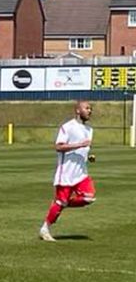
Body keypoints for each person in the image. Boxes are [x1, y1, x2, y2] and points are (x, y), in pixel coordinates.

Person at [40, 101, 96, 242]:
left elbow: (82, 151)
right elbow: (58, 147)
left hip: (81, 174)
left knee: (89, 198)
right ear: (78, 111)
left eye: (90, 108)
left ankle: (60, 202)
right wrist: (80, 145)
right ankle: (45, 229)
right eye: (86, 108)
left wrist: (88, 157)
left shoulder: (89, 130)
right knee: (60, 203)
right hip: (66, 174)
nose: (89, 111)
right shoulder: (68, 127)